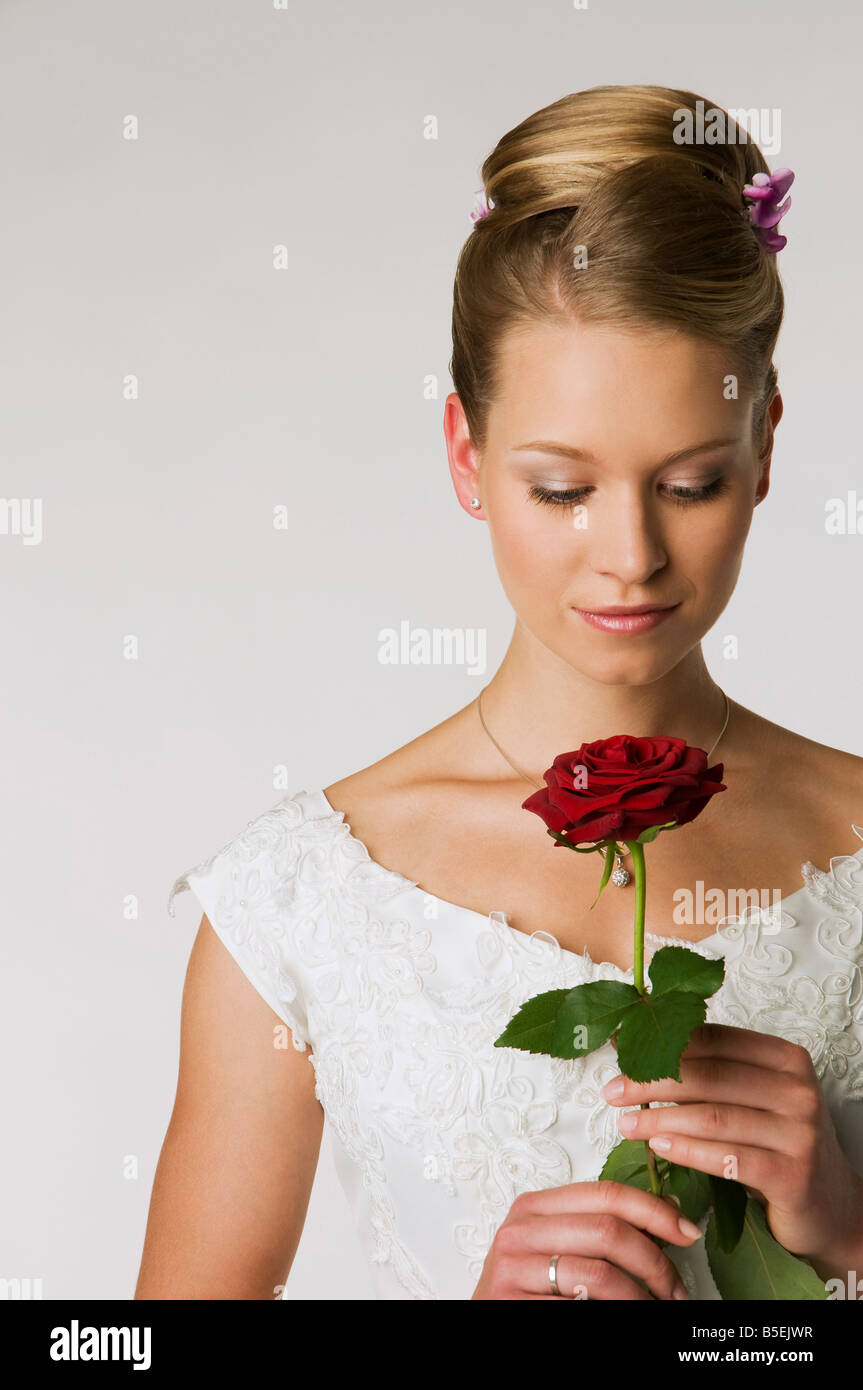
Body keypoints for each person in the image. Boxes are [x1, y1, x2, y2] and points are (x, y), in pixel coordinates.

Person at [135, 84, 863, 1301]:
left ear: (765, 450)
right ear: (466, 458)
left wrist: (851, 1228)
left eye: (687, 483)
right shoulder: (298, 902)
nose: (627, 554)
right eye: (560, 488)